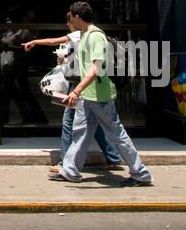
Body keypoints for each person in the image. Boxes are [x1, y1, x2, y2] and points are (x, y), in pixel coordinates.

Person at [49, 2, 152, 186]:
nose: (70, 20)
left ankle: (140, 173)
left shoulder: (96, 37)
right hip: (88, 96)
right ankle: (70, 170)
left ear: (77, 17)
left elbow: (95, 69)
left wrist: (76, 90)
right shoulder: (85, 35)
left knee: (116, 134)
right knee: (80, 132)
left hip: (100, 95)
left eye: (71, 17)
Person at [24, 11, 123, 172]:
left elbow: (53, 41)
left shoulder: (79, 34)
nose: (68, 26)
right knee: (94, 123)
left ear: (75, 20)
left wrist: (35, 41)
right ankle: (113, 157)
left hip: (79, 85)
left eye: (69, 22)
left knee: (69, 124)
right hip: (83, 83)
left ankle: (66, 163)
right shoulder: (83, 36)